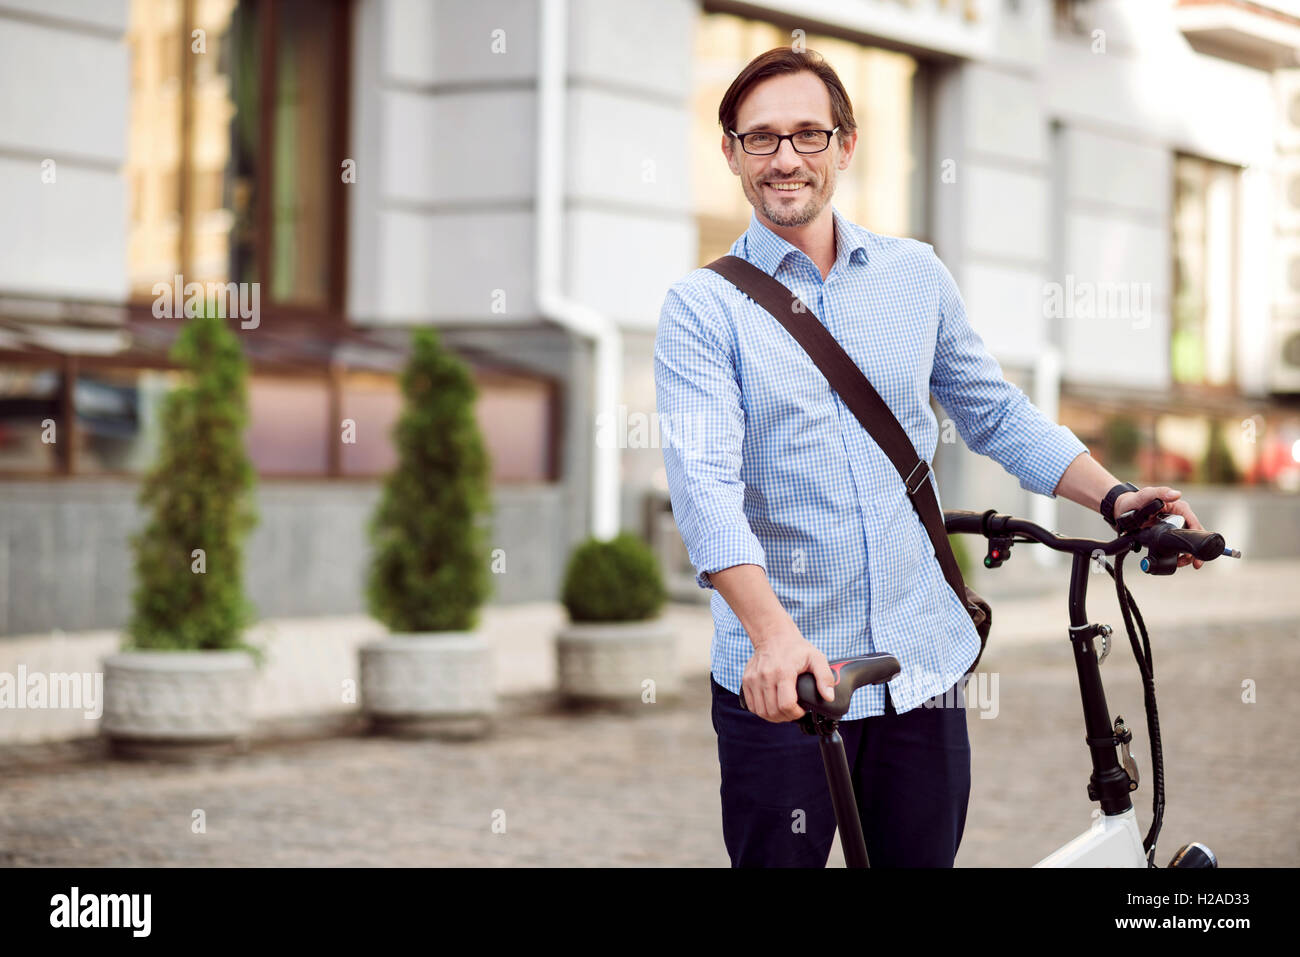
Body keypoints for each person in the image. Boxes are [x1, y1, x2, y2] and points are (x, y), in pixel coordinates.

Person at [653, 46, 1206, 868]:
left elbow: (993, 412)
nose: (786, 158)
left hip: (920, 663)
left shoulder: (913, 275)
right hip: (788, 680)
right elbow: (704, 485)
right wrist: (771, 636)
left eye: (808, 134)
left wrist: (1115, 497)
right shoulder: (703, 309)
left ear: (845, 145)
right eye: (761, 139)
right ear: (730, 153)